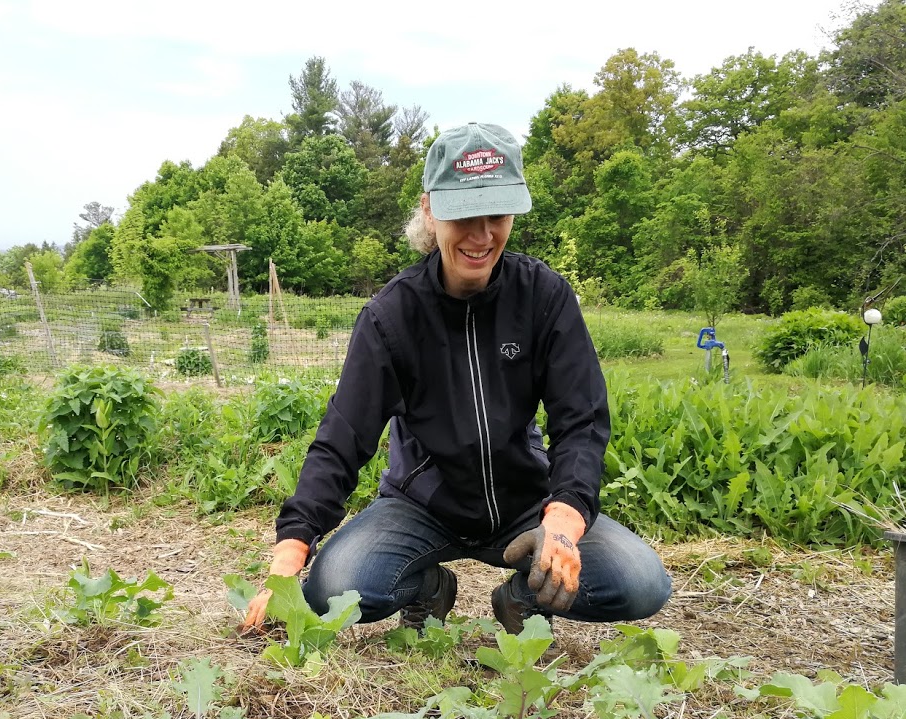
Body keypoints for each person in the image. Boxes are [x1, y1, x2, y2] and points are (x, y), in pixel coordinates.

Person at [241, 122, 671, 638]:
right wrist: (290, 552)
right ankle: (428, 587)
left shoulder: (544, 297)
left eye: (497, 214)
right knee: (332, 589)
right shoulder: (391, 316)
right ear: (430, 209)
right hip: (420, 507)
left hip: (524, 505)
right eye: (464, 214)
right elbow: (343, 438)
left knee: (640, 583)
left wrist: (563, 521)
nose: (482, 235)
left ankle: (520, 601)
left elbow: (581, 420)